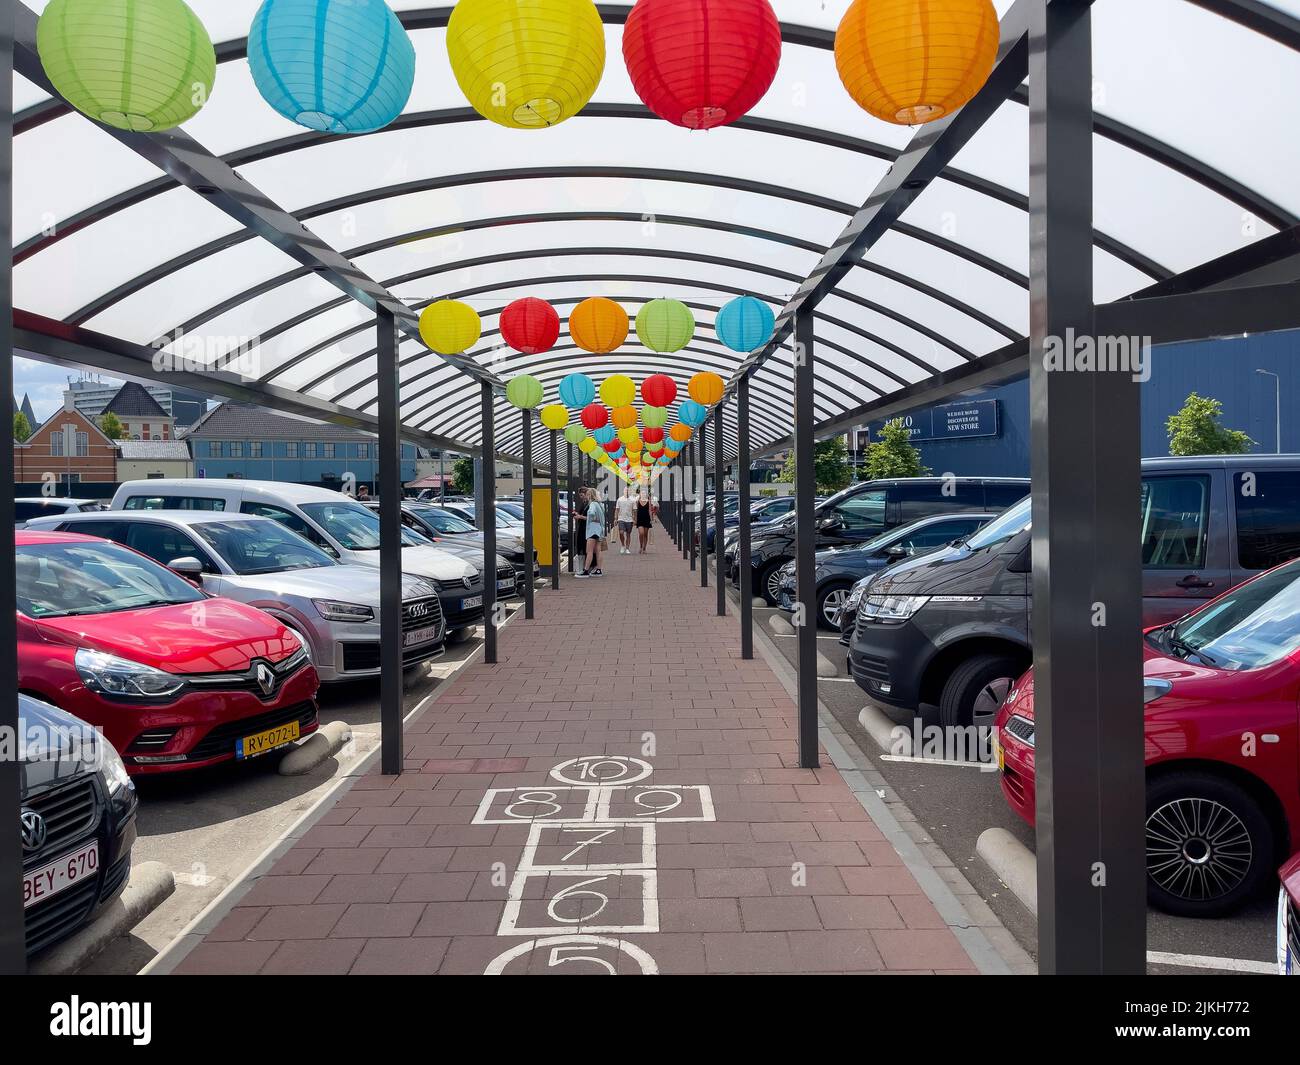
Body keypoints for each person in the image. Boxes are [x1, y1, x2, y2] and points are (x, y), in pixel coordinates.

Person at [577, 487, 604, 578]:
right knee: (598, 550)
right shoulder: (599, 504)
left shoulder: (592, 504)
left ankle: (585, 571)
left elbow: (592, 513)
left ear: (590, 495)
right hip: (599, 529)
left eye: (587, 495)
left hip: (592, 529)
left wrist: (590, 518)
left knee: (589, 551)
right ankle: (599, 569)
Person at [572, 487, 589, 575]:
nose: (581, 497)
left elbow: (591, 517)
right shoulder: (584, 503)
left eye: (582, 495)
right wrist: (578, 514)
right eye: (580, 496)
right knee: (581, 546)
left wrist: (579, 516)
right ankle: (582, 567)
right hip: (582, 527)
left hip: (586, 528)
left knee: (585, 547)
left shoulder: (590, 504)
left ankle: (585, 568)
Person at [614, 488, 636, 554]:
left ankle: (627, 548)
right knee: (621, 532)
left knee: (628, 534)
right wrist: (615, 518)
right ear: (623, 491)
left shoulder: (633, 500)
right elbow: (617, 510)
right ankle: (623, 545)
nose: (627, 492)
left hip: (629, 519)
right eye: (625, 490)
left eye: (628, 491)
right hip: (621, 519)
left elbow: (634, 510)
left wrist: (635, 520)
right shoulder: (620, 499)